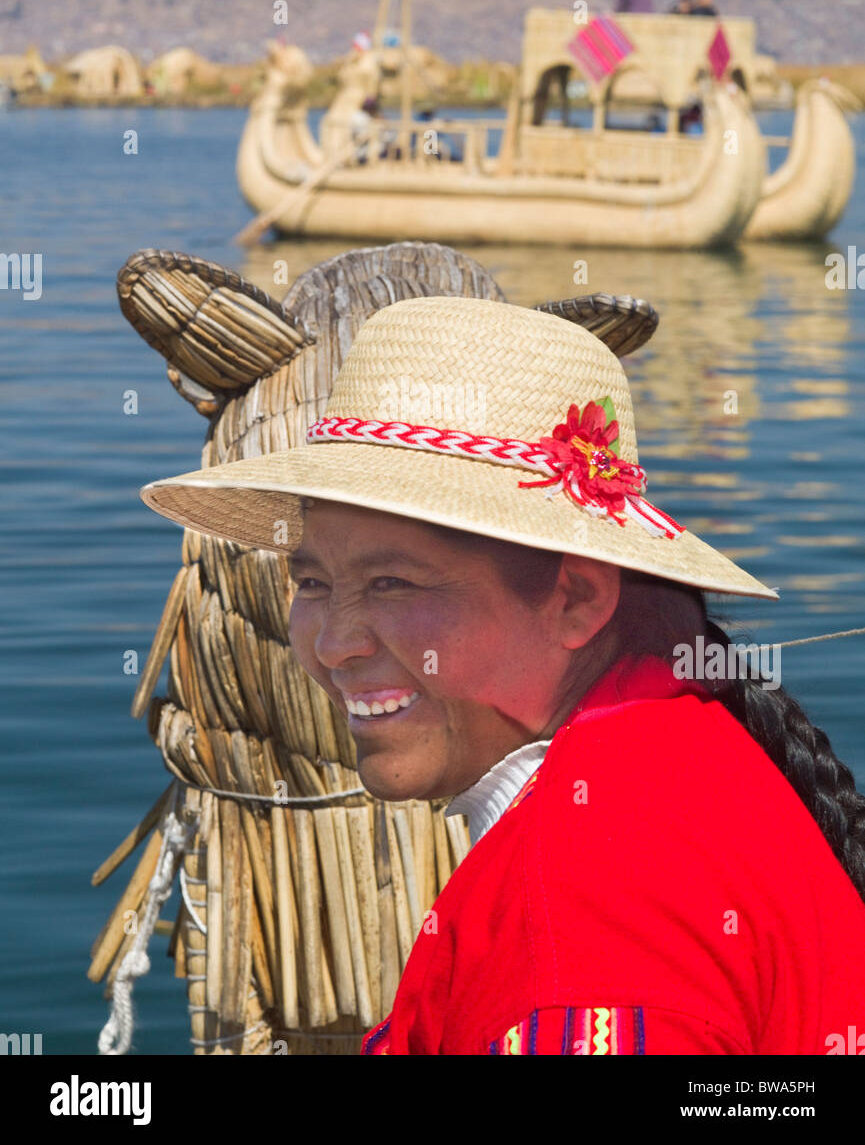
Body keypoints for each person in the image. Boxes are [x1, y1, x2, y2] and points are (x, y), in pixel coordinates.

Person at [140, 297, 865, 1056]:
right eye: (313, 582)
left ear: (577, 599)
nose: (333, 644)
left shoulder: (586, 904)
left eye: (393, 583)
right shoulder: (680, 746)